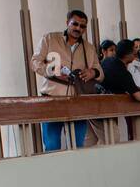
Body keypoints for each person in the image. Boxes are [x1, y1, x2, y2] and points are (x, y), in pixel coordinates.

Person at [30, 9, 103, 151]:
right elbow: (35, 62)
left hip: (78, 100)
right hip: (52, 99)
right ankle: (54, 172)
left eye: (82, 26)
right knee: (52, 146)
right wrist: (51, 71)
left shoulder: (88, 47)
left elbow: (100, 72)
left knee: (78, 145)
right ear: (67, 23)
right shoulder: (50, 39)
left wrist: (92, 72)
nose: (78, 28)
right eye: (75, 24)